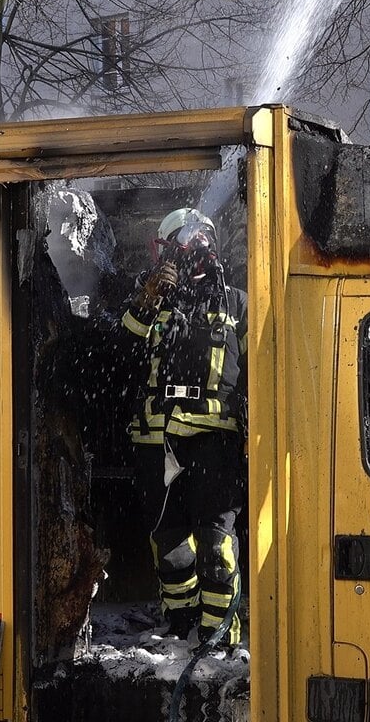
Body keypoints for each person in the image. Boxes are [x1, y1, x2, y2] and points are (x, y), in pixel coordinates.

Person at [121, 207, 247, 651]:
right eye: (185, 240)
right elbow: (122, 353)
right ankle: (179, 625)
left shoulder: (237, 302)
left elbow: (261, 367)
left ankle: (219, 635)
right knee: (168, 538)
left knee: (216, 539)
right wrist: (147, 301)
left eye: (201, 238)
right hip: (157, 440)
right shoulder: (152, 299)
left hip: (216, 441)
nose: (196, 248)